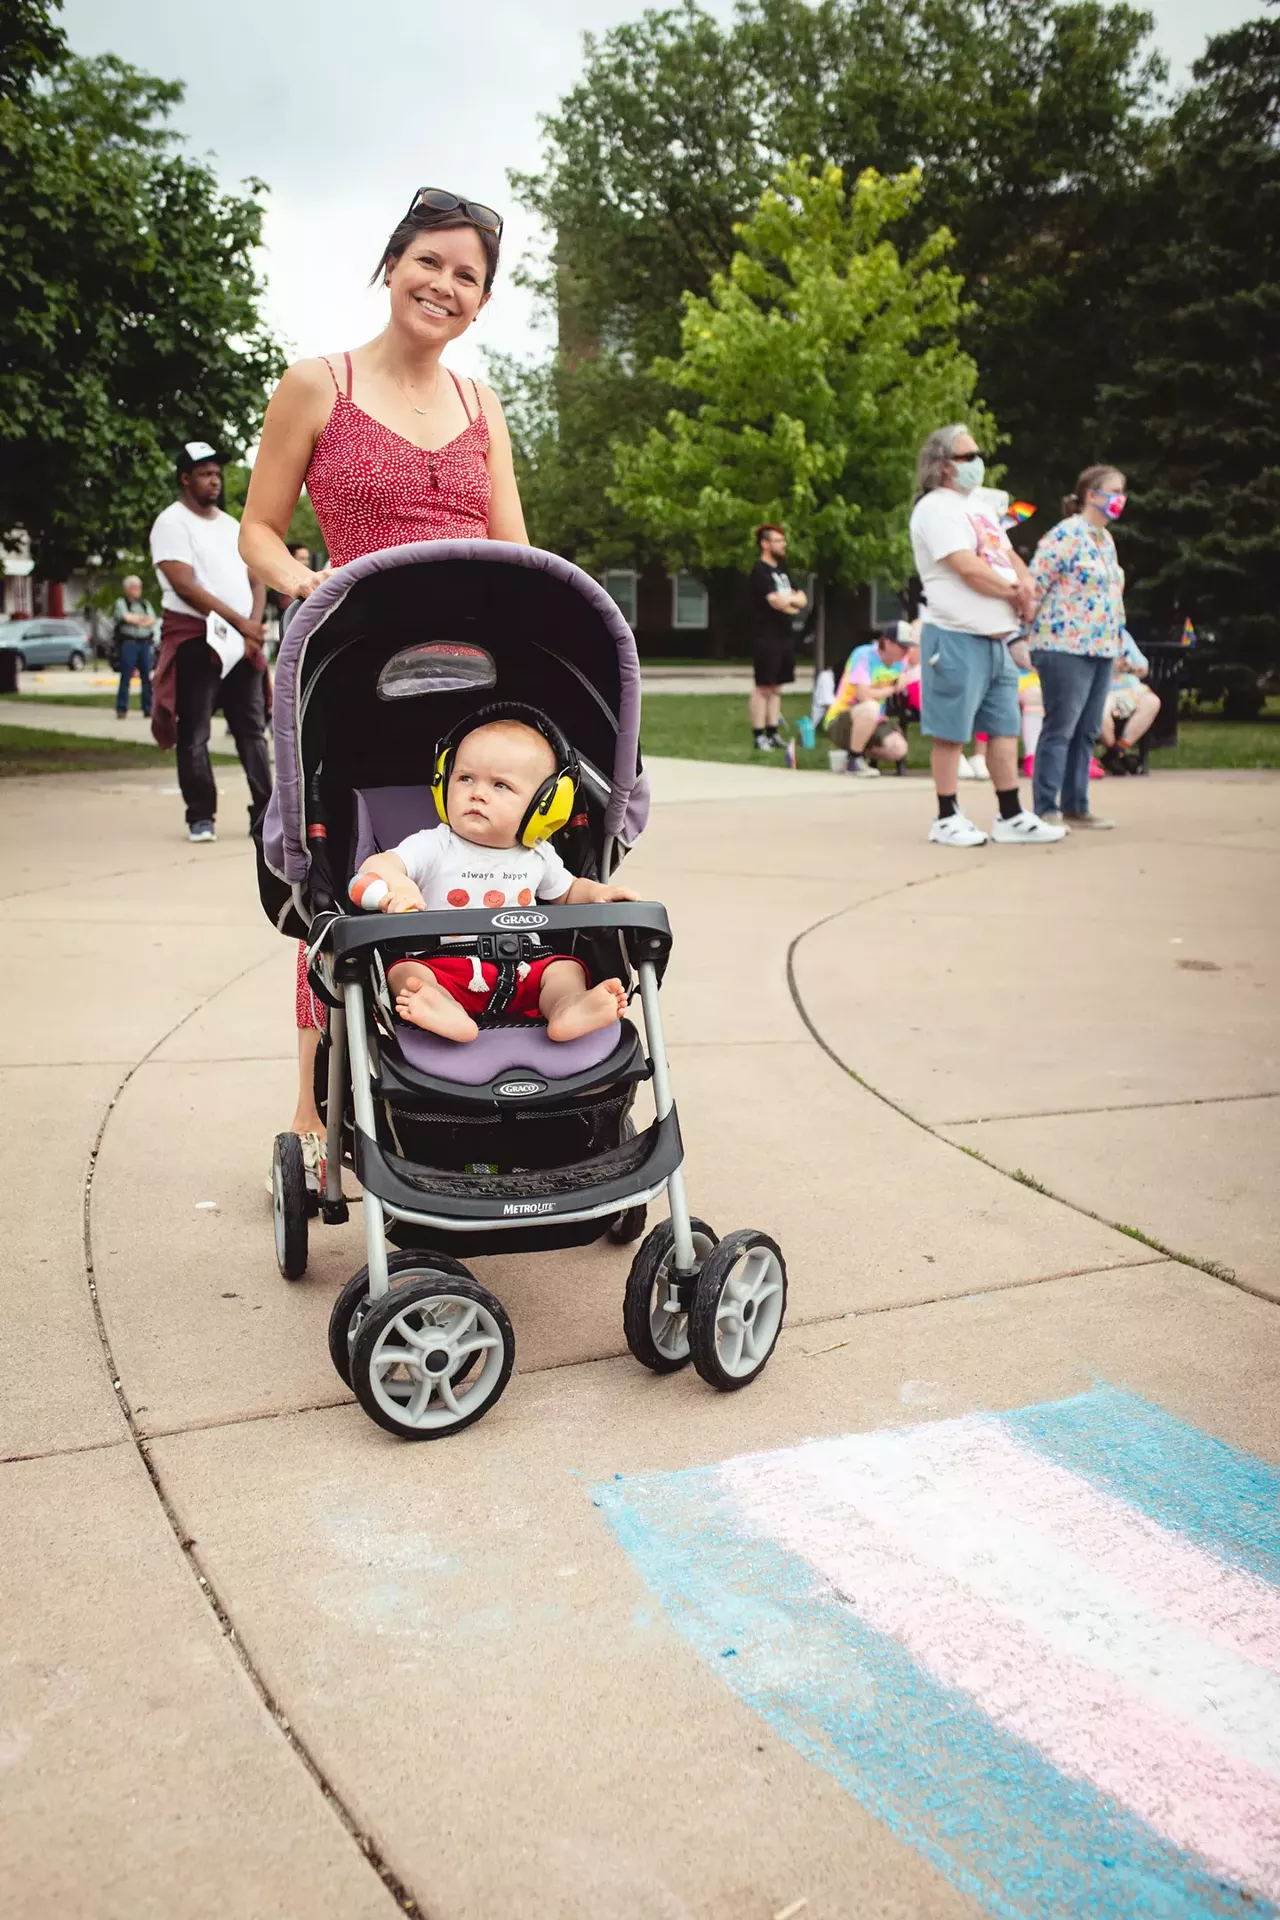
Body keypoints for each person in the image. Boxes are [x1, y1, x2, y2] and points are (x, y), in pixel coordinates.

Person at [237, 186, 527, 1170]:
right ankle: (312, 1104)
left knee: (482, 859)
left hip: (474, 679)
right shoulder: (317, 384)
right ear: (392, 264)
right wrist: (299, 582)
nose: (443, 285)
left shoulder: (482, 404)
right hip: (354, 664)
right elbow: (259, 527)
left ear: (481, 302)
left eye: (466, 275)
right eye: (429, 261)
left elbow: (515, 549)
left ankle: (481, 1072)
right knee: (338, 868)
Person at [353, 716, 636, 1042]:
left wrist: (598, 893)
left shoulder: (538, 854)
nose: (477, 794)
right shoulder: (435, 844)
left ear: (543, 804)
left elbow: (569, 891)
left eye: (500, 785)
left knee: (566, 970)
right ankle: (443, 1008)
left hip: (527, 967)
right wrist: (401, 886)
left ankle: (566, 1008)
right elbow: (377, 864)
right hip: (448, 968)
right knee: (406, 973)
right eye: (465, 778)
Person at [909, 425, 1065, 847]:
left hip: (998, 638)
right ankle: (946, 816)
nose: (978, 463)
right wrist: (1014, 592)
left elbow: (1005, 553)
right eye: (969, 456)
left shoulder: (979, 506)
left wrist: (1026, 583)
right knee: (951, 732)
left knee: (1003, 729)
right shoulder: (934, 509)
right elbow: (966, 566)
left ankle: (1010, 815)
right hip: (955, 635)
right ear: (944, 465)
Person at [149, 443, 271, 844]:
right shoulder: (171, 522)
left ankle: (265, 814)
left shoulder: (232, 525)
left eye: (217, 473)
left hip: (243, 643)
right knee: (196, 731)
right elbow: (184, 585)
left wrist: (252, 627)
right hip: (198, 639)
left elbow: (256, 578)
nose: (214, 480)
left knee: (252, 731)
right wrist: (240, 623)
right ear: (185, 479)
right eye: (205, 474)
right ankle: (201, 816)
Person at [1027, 464, 1130, 830]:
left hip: (1101, 647)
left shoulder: (1106, 541)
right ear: (1091, 495)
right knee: (1061, 727)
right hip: (1063, 645)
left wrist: (1119, 642)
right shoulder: (1066, 534)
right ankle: (1046, 805)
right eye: (1114, 491)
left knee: (1087, 729)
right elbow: (1035, 583)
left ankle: (1076, 804)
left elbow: (1111, 596)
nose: (1121, 499)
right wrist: (1021, 633)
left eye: (1123, 492)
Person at [747, 525, 807, 750]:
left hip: (784, 635)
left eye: (783, 540)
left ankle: (773, 732)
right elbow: (775, 602)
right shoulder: (760, 571)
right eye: (778, 541)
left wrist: (790, 601)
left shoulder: (783, 571)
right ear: (765, 544)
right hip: (765, 636)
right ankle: (758, 735)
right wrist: (790, 601)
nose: (783, 545)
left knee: (777, 687)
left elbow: (802, 599)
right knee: (763, 687)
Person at [822, 626, 911, 774]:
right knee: (870, 706)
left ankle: (854, 752)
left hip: (875, 721)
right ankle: (854, 760)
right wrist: (893, 689)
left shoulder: (901, 661)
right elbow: (863, 695)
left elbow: (917, 660)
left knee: (899, 748)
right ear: (888, 643)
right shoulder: (864, 656)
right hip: (844, 717)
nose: (906, 651)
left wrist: (904, 675)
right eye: (903, 646)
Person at [1099, 628, 1160, 770]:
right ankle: (1116, 756)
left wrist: (1129, 668)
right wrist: (1111, 666)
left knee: (1152, 702)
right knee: (1100, 712)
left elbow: (1143, 668)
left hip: (1130, 689)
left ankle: (1115, 754)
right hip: (1102, 689)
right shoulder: (1090, 635)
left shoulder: (1123, 635)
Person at [111, 575, 157, 719]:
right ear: (127, 589)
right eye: (135, 587)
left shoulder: (145, 604)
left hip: (144, 643)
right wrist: (141, 620)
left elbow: (152, 620)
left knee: (146, 677)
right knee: (126, 676)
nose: (138, 590)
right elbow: (125, 617)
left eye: (139, 587)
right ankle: (122, 708)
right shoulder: (121, 603)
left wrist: (137, 620)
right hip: (129, 643)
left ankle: (148, 708)